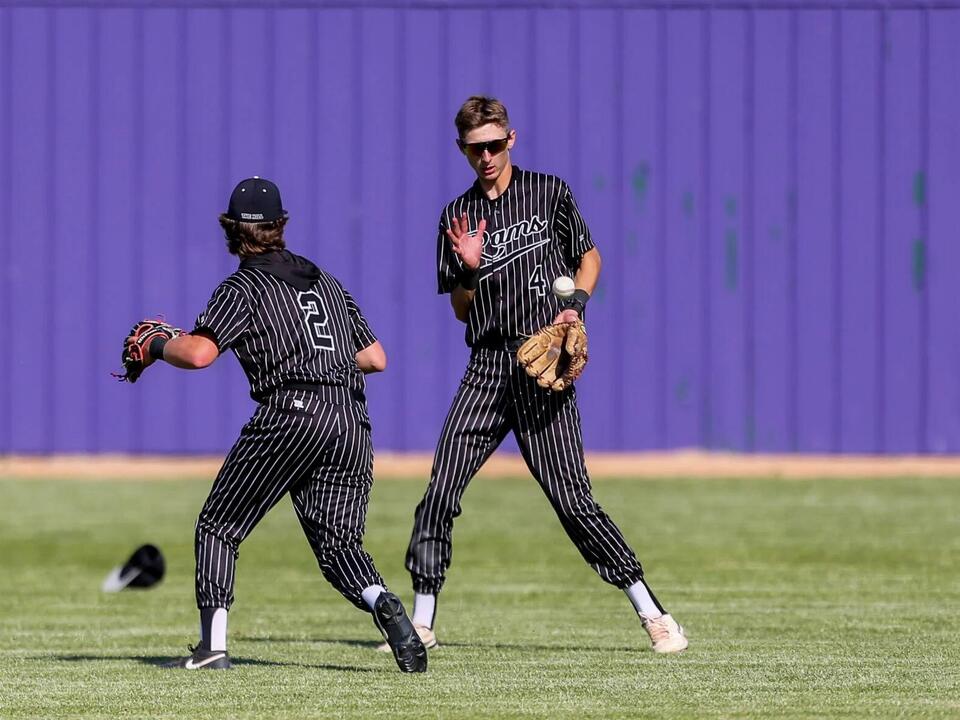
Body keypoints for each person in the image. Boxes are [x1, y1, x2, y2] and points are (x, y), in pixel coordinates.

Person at [387, 96, 688, 654]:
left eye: (493, 144)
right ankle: (423, 624)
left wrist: (574, 306)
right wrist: (470, 271)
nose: (486, 157)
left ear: (511, 139)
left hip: (541, 363)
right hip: (488, 366)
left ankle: (655, 614)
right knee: (439, 492)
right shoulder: (457, 217)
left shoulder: (548, 192)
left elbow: (589, 258)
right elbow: (460, 309)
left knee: (573, 501)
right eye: (474, 148)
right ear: (461, 150)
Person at [130, 177, 427, 672]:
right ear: (280, 225)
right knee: (339, 547)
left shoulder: (243, 287)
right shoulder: (325, 281)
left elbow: (200, 353)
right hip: (350, 417)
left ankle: (212, 649)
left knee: (219, 526)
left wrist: (159, 345)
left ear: (231, 230)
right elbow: (375, 358)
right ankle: (383, 601)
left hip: (291, 412)